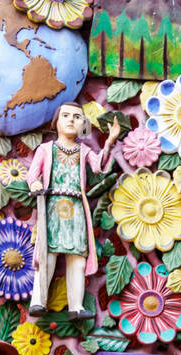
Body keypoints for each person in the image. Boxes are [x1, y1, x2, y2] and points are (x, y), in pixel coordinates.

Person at [27, 103, 121, 318]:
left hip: (77, 209)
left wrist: (110, 141)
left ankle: (76, 306)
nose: (71, 120)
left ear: (84, 125)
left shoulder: (84, 150)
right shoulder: (45, 149)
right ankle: (38, 301)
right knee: (46, 255)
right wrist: (34, 185)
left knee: (77, 258)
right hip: (52, 207)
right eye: (66, 115)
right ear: (56, 122)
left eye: (77, 117)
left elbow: (98, 167)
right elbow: (32, 175)